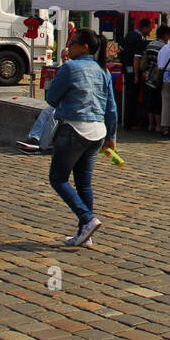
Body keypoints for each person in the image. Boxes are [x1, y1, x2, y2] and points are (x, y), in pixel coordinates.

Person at [45, 27, 118, 248]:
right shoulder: (103, 70)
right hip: (97, 131)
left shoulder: (70, 67)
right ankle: (84, 234)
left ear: (84, 47)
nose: (69, 47)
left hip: (75, 128)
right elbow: (111, 108)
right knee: (84, 183)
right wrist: (111, 136)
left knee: (57, 179)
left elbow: (51, 97)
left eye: (73, 43)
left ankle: (87, 219)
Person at [120, 17, 151, 130]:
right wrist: (136, 75)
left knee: (128, 96)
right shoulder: (140, 39)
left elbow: (121, 50)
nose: (150, 31)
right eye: (149, 28)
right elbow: (136, 58)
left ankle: (127, 122)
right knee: (133, 97)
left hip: (126, 69)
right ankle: (130, 123)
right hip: (133, 70)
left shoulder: (129, 34)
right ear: (145, 27)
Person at [142, 25, 170, 135]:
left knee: (150, 101)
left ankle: (151, 125)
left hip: (148, 75)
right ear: (165, 35)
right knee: (158, 101)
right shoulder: (164, 47)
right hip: (158, 76)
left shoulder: (150, 44)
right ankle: (158, 125)